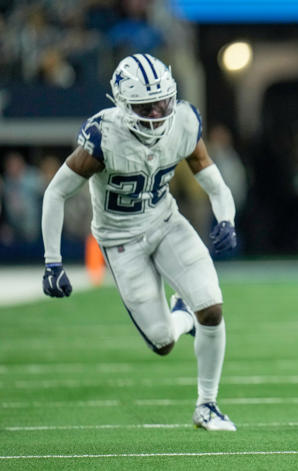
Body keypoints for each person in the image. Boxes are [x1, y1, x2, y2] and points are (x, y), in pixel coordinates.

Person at [40, 53, 238, 431]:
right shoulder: (103, 137)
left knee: (212, 308)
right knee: (163, 342)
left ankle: (207, 405)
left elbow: (212, 179)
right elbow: (55, 193)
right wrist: (53, 261)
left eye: (163, 101)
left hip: (166, 222)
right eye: (147, 106)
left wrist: (226, 218)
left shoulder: (183, 121)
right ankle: (181, 315)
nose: (158, 112)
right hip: (120, 241)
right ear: (123, 104)